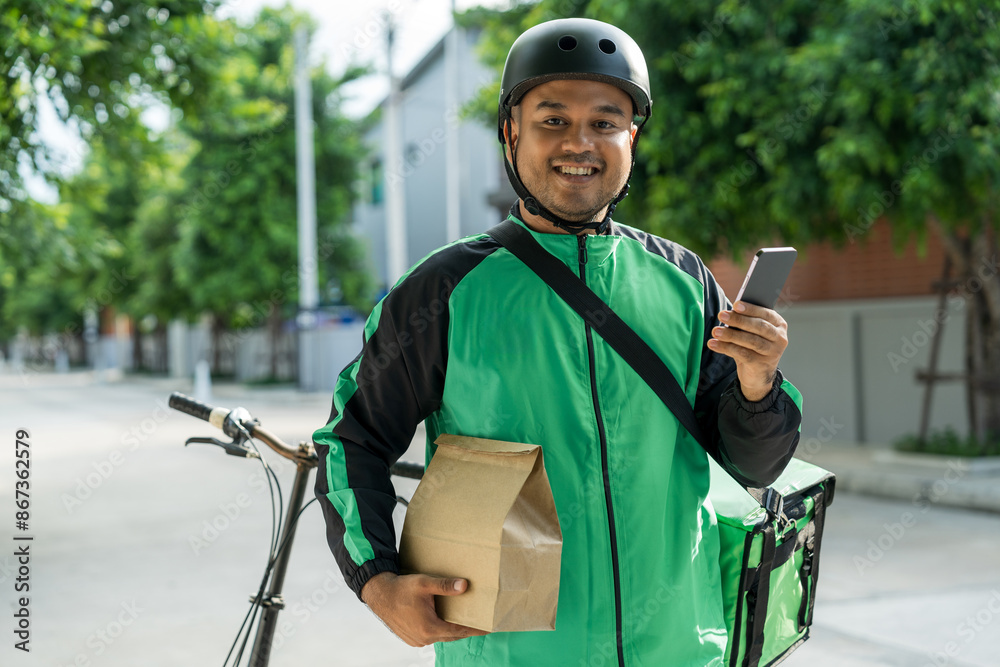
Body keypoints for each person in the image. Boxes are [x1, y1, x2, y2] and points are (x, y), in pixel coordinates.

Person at [313, 17, 802, 667]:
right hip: (514, 653)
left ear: (632, 138)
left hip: (682, 646)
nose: (581, 142)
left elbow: (753, 464)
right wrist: (377, 579)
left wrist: (757, 382)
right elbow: (352, 439)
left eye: (605, 121)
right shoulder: (443, 291)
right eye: (553, 120)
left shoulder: (685, 282)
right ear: (511, 131)